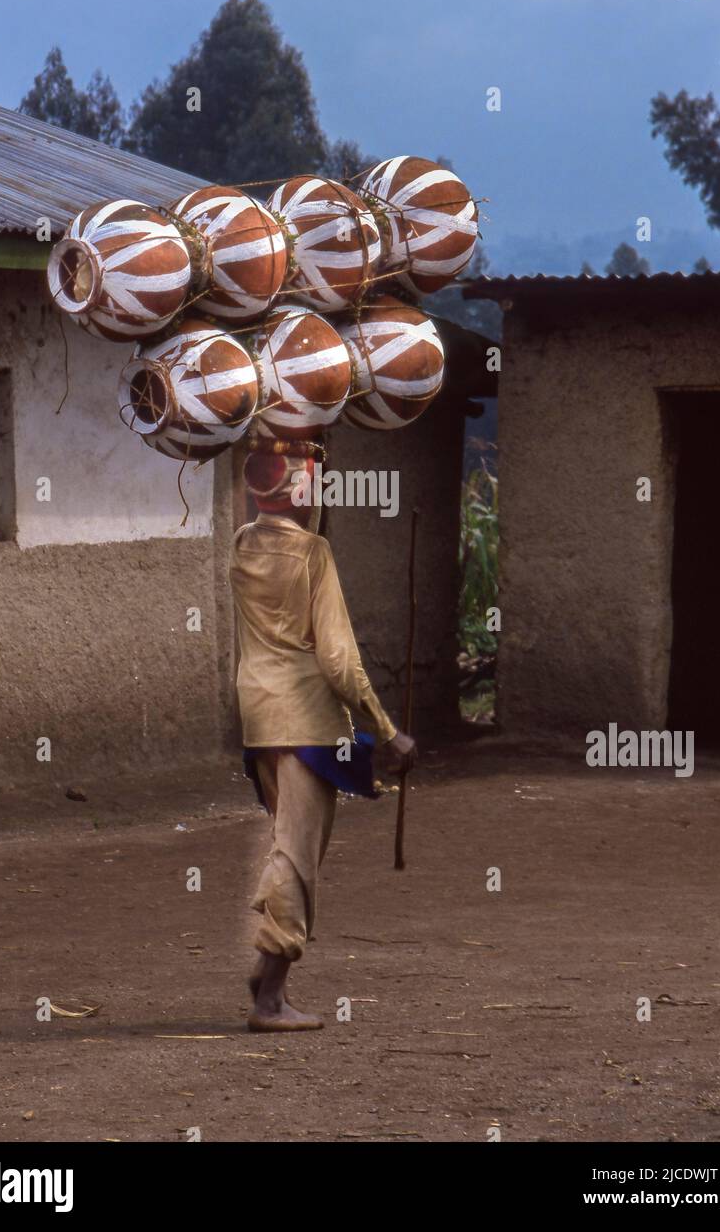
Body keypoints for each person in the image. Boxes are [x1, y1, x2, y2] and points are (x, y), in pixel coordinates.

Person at [229, 440, 416, 1032]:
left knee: (287, 841)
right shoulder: (313, 552)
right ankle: (270, 999)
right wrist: (386, 731)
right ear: (302, 492)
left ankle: (266, 969)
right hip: (306, 718)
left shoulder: (239, 545)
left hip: (259, 715)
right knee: (298, 855)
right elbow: (338, 659)